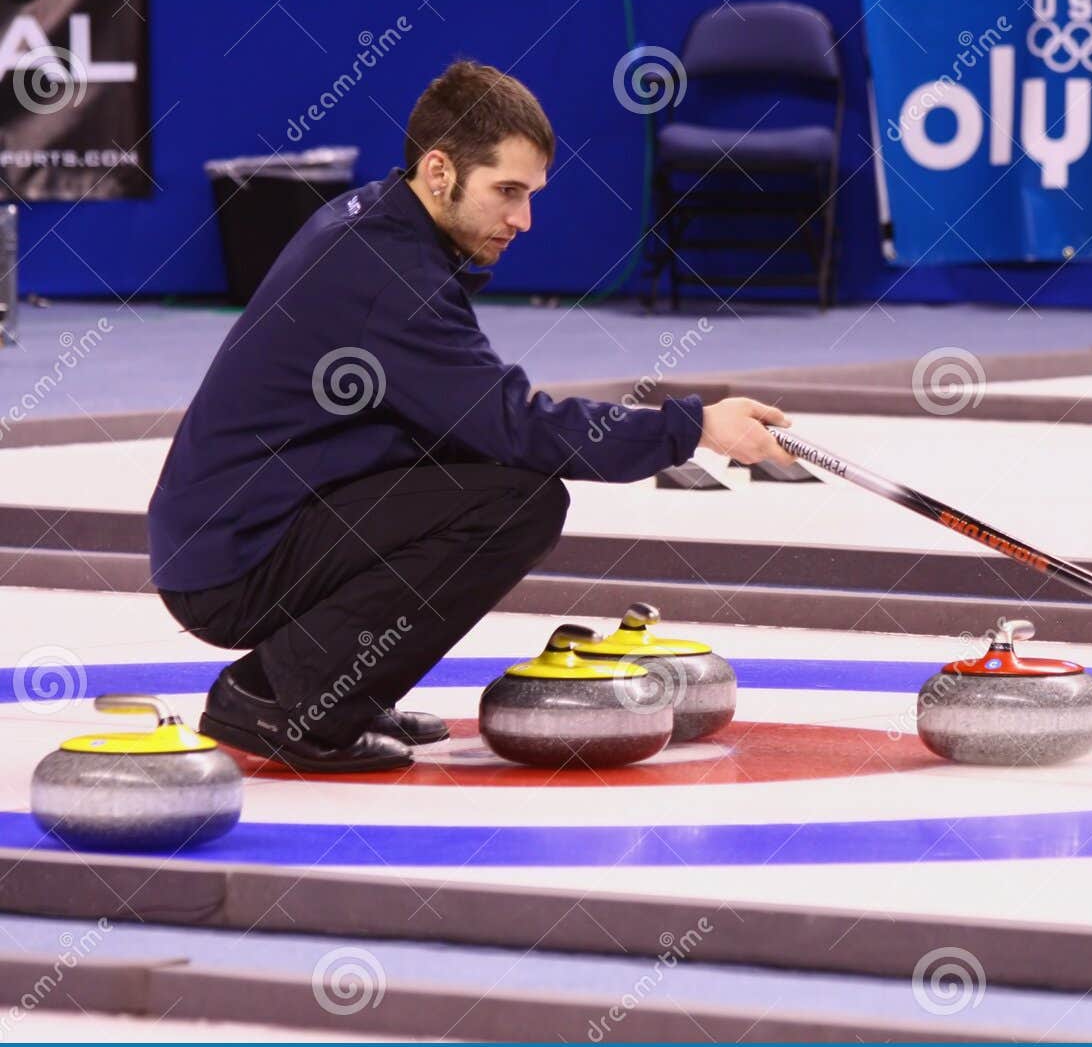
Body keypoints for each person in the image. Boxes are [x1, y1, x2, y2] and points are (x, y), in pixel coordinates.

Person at [147, 60, 794, 774]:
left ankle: (342, 685)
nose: (524, 220)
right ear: (438, 171)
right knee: (517, 503)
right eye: (507, 192)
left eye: (530, 194)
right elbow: (519, 425)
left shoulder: (386, 227)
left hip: (241, 528)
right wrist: (693, 425)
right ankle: (283, 696)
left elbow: (478, 421)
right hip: (233, 561)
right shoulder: (389, 279)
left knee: (484, 473)